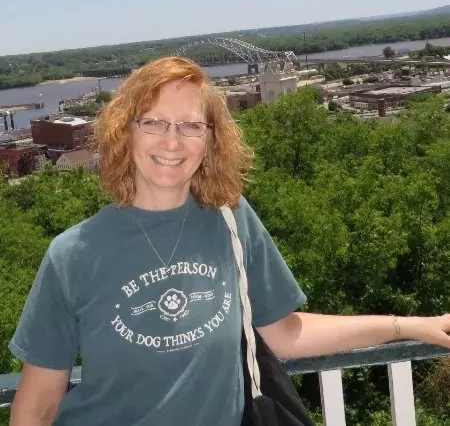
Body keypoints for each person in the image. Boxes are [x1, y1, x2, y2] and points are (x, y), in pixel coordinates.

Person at [9, 57, 450, 426]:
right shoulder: (73, 255)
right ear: (125, 131)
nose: (172, 140)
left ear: (210, 140)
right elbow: (39, 403)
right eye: (154, 122)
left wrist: (407, 326)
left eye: (190, 125)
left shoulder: (231, 220)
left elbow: (282, 332)